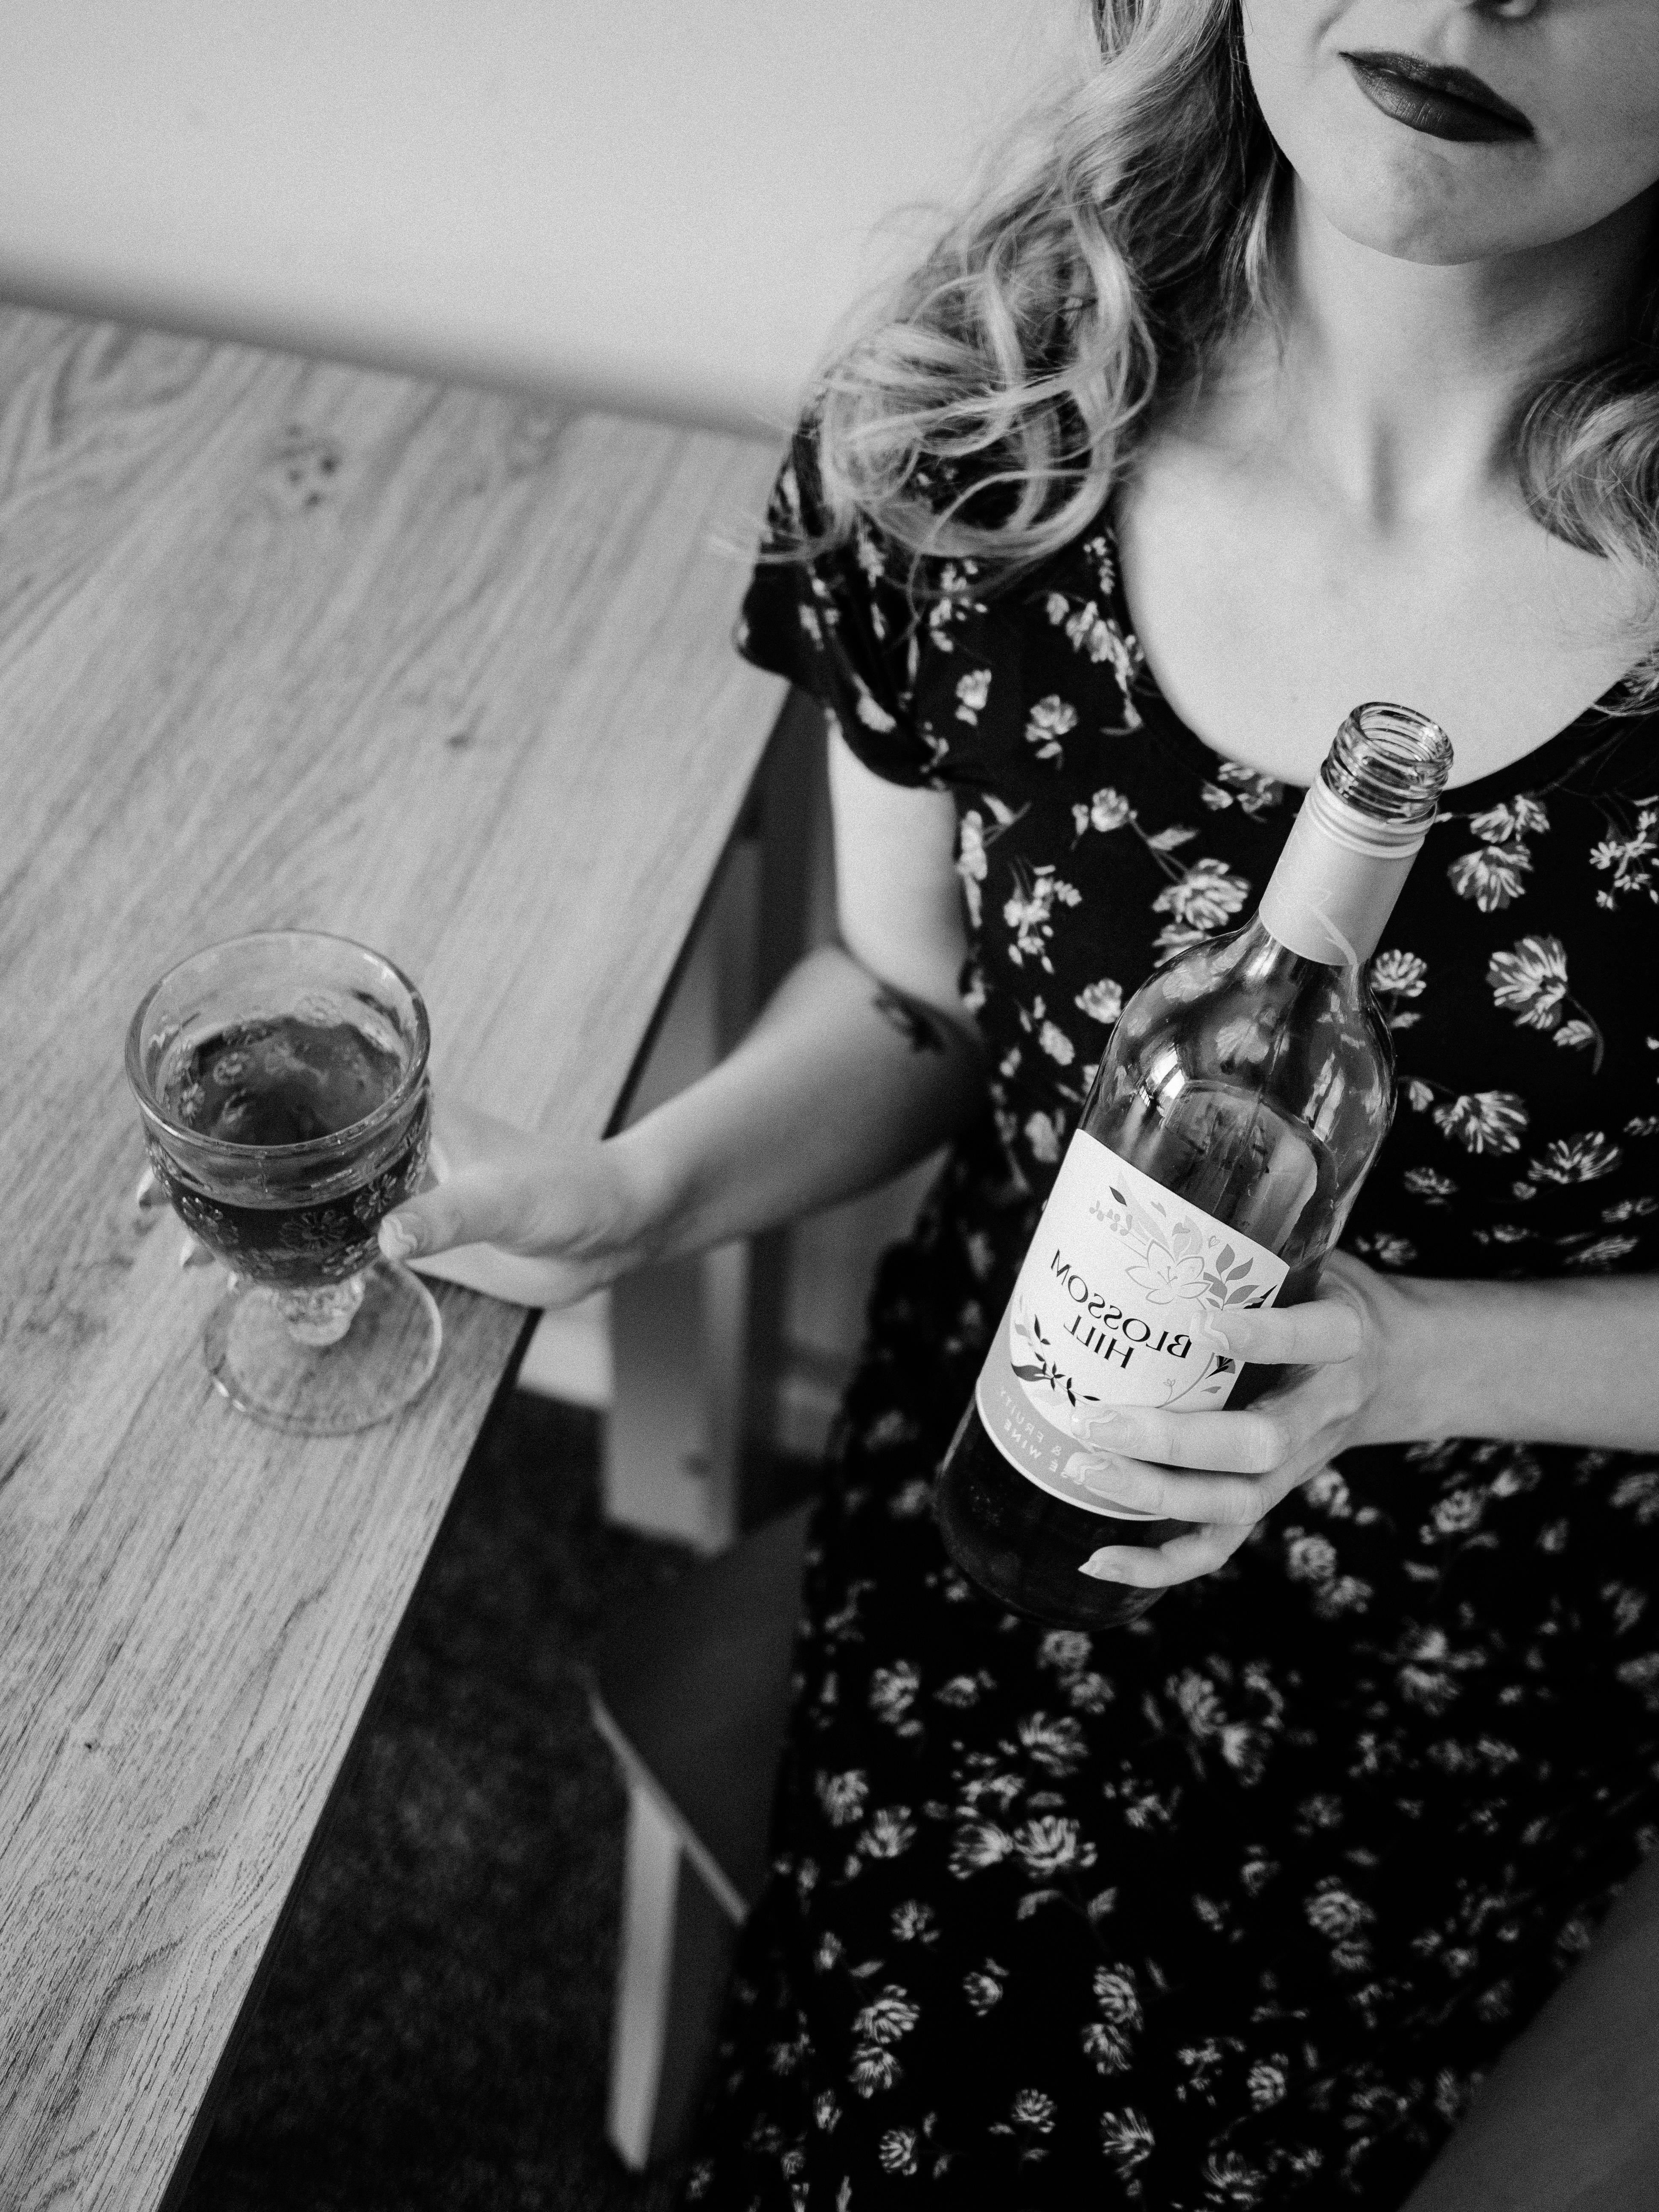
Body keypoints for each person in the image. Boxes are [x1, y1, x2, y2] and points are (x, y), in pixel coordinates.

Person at [378, 0, 1659, 2200]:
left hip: (1517, 1573)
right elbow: (917, 1005)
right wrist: (640, 1192)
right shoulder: (989, 422)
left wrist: (1407, 1364)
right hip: (1030, 1460)